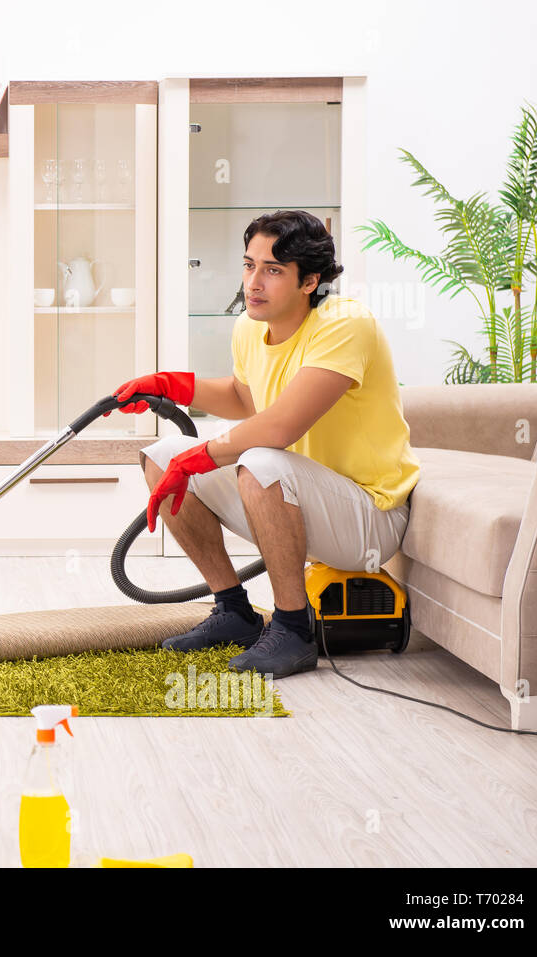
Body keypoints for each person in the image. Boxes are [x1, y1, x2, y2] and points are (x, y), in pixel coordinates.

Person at [108, 210, 420, 677]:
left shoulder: (345, 323)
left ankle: (293, 630)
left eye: (272, 270)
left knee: (259, 460)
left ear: (310, 280)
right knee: (161, 456)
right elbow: (244, 399)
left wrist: (203, 456)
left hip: (368, 516)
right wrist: (170, 385)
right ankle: (234, 612)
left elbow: (278, 428)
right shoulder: (251, 327)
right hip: (294, 500)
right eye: (249, 264)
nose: (253, 282)